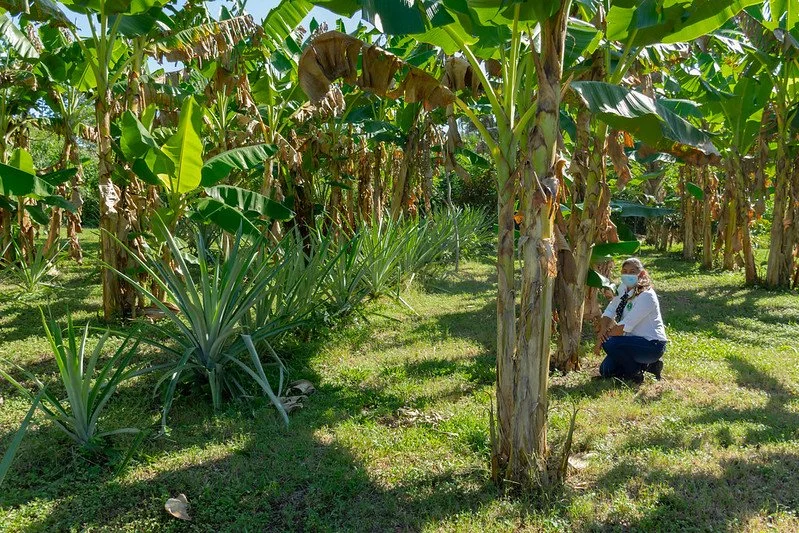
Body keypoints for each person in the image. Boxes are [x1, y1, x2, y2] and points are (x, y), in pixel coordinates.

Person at [597, 257, 668, 383]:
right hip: (631, 341)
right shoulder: (623, 288)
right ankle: (650, 365)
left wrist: (603, 339)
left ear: (641, 274)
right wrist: (602, 331)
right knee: (606, 370)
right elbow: (610, 310)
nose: (628, 275)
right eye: (625, 271)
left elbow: (623, 327)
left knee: (610, 343)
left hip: (651, 345)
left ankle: (635, 373)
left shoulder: (646, 295)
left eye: (632, 272)